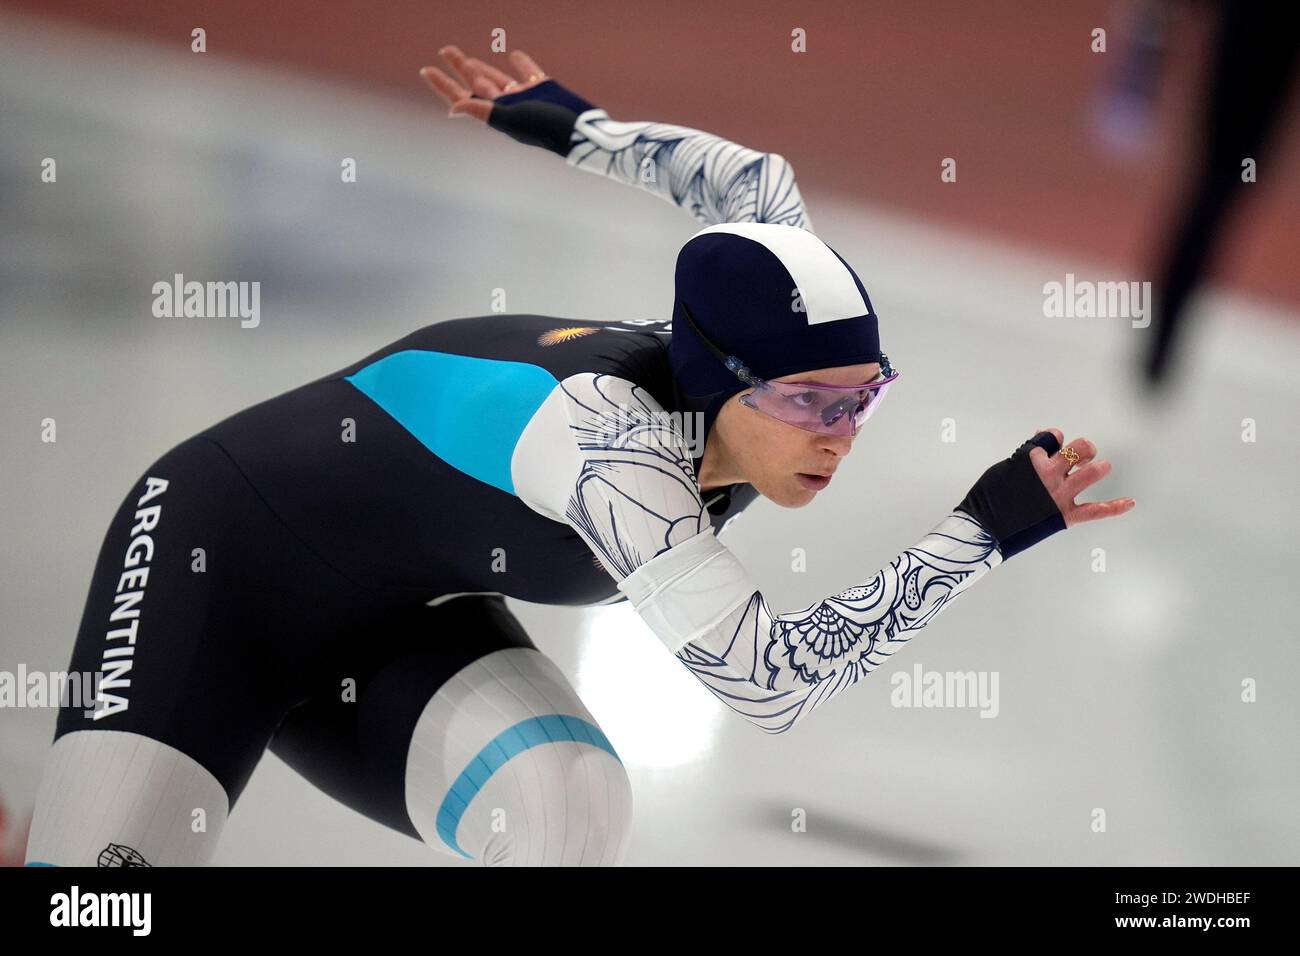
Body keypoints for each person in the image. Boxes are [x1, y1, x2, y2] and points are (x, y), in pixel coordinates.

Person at [24, 47, 1134, 868]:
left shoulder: (772, 292)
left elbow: (747, 178)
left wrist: (570, 123)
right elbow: (773, 682)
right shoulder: (613, 450)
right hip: (220, 565)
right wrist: (978, 531)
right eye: (804, 400)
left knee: (570, 802)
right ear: (716, 376)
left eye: (862, 397)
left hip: (398, 612)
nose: (836, 431)